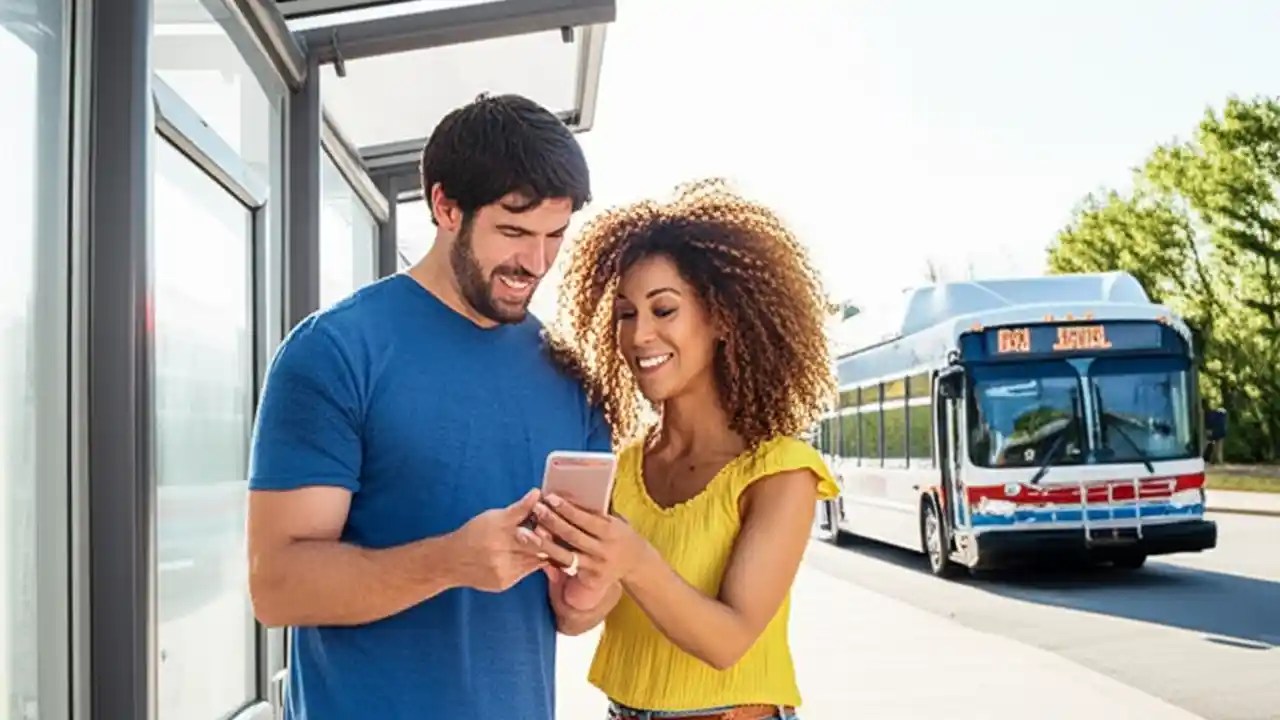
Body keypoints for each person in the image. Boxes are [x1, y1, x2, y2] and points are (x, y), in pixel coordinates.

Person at [244, 93, 620, 720]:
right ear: (445, 207)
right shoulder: (335, 353)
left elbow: (574, 613)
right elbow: (277, 587)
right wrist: (450, 562)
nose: (536, 262)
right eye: (513, 231)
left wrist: (589, 590)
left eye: (555, 235)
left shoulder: (570, 373)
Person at [524, 178, 840, 719]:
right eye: (626, 313)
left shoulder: (781, 472)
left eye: (663, 310)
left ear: (720, 318)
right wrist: (576, 582)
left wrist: (633, 558)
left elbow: (728, 641)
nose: (639, 335)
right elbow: (579, 619)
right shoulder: (619, 469)